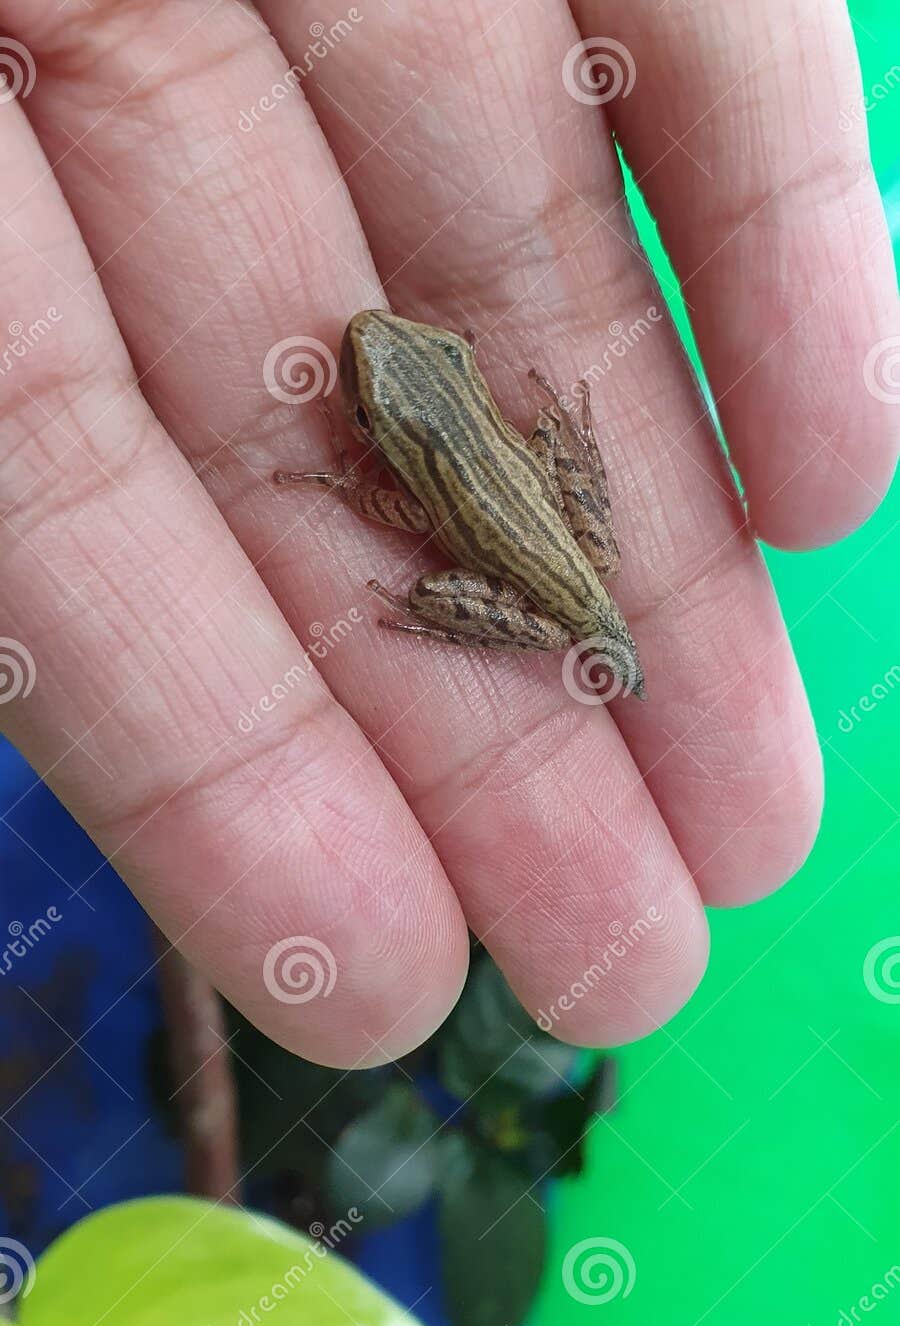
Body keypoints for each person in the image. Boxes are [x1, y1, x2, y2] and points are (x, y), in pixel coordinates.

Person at [0, 0, 896, 1069]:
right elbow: (407, 454)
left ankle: (482, 616)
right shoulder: (433, 428)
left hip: (550, 578)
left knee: (440, 590)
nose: (368, 356)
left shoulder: (412, 467)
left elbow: (395, 506)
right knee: (539, 539)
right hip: (573, 549)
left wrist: (352, 486)